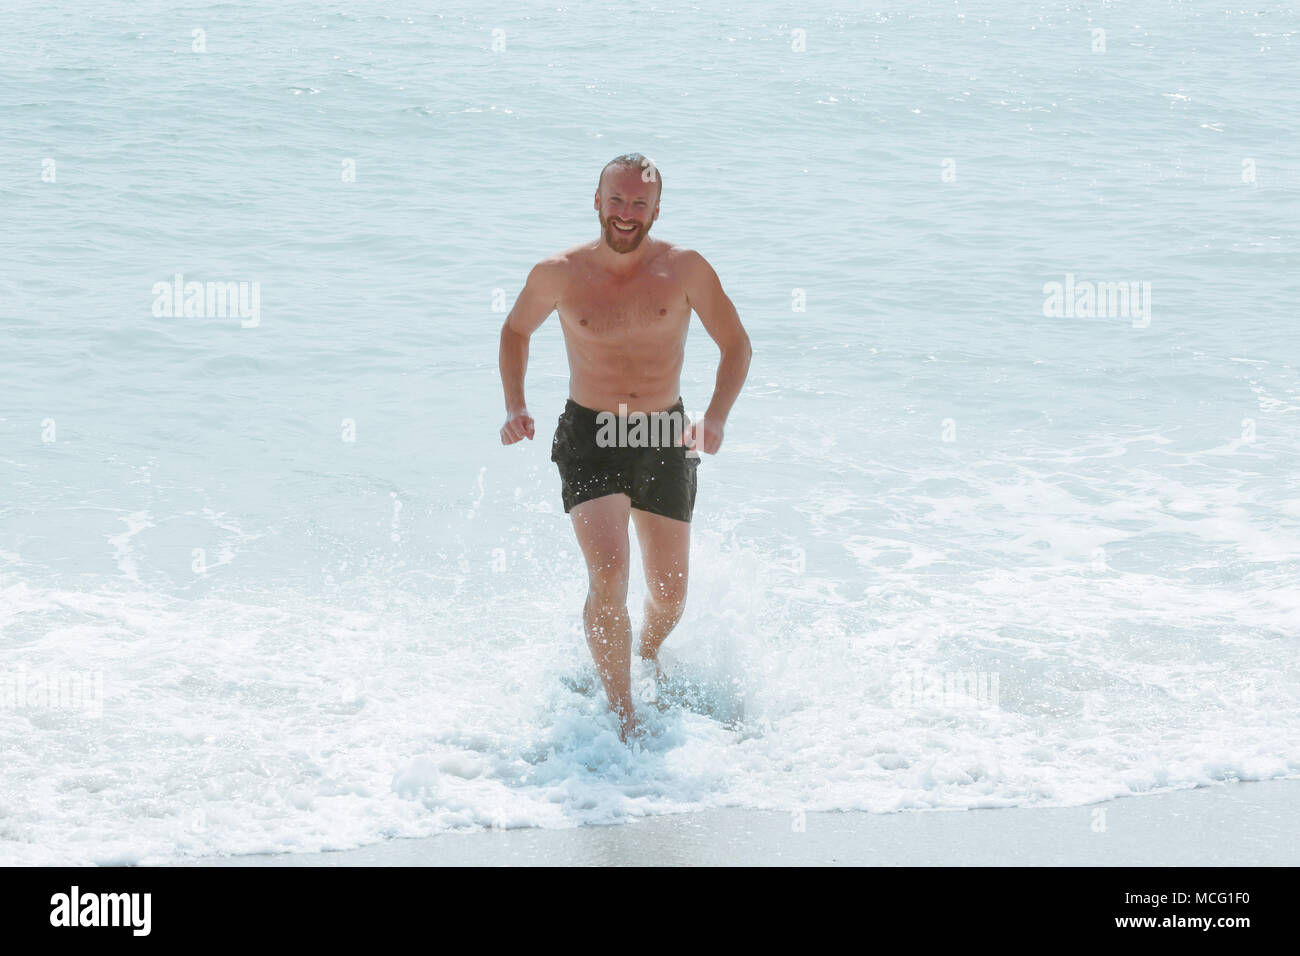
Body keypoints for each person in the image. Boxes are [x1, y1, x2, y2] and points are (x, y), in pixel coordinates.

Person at [498, 153, 752, 741]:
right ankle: (622, 714)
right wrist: (515, 404)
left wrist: (715, 417)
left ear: (657, 209)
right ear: (596, 200)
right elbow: (515, 331)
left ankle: (644, 652)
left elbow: (736, 344)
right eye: (617, 200)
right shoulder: (558, 273)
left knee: (669, 595)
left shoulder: (686, 270)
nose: (626, 214)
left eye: (640, 203)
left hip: (664, 432)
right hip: (591, 433)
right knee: (609, 570)